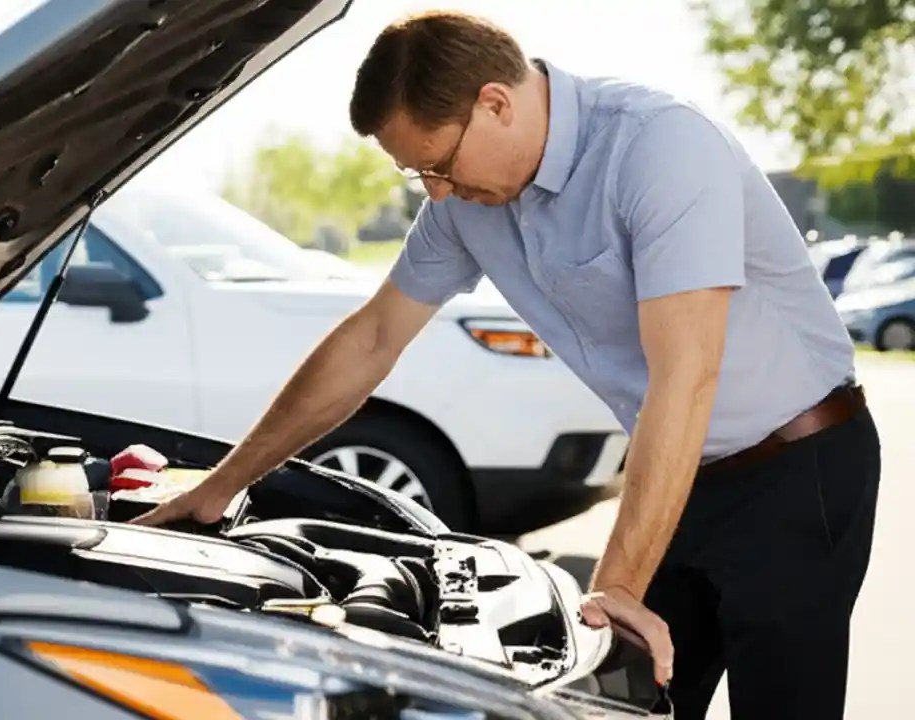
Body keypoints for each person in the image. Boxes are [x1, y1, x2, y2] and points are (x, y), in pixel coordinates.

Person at [132, 10, 881, 719]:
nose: (435, 191)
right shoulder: (465, 205)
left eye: (439, 165)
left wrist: (617, 583)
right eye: (415, 175)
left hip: (796, 470)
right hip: (676, 477)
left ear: (495, 103)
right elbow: (371, 340)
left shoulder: (659, 149)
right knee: (615, 701)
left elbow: (687, 376)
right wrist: (223, 483)